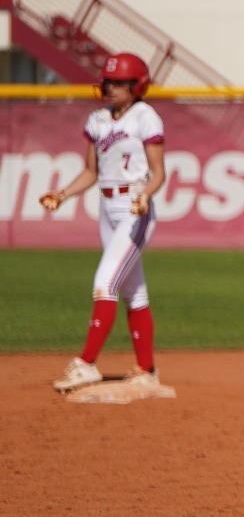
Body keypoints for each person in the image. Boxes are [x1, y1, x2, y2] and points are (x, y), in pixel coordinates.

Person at [43, 53, 167, 393]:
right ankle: (146, 369)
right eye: (109, 81)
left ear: (137, 85)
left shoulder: (146, 117)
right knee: (133, 291)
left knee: (105, 282)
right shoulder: (98, 120)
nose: (111, 87)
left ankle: (86, 364)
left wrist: (146, 195)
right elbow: (90, 172)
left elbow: (159, 173)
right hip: (107, 207)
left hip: (134, 209)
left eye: (119, 82)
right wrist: (63, 194)